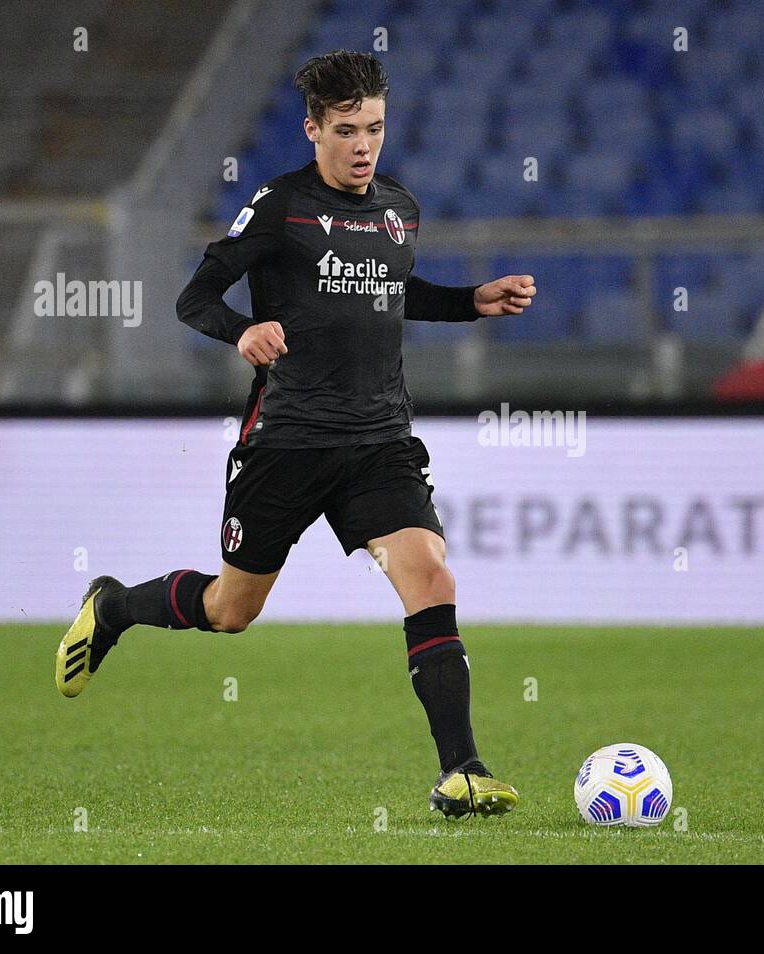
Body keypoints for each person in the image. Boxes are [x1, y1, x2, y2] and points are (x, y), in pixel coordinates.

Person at [54, 49, 536, 818]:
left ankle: (463, 770)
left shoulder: (400, 208)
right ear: (313, 129)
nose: (363, 146)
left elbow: (391, 292)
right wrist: (243, 333)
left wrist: (471, 300)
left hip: (380, 440)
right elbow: (195, 296)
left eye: (374, 128)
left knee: (430, 577)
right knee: (230, 609)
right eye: (346, 130)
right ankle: (113, 608)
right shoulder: (282, 205)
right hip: (286, 439)